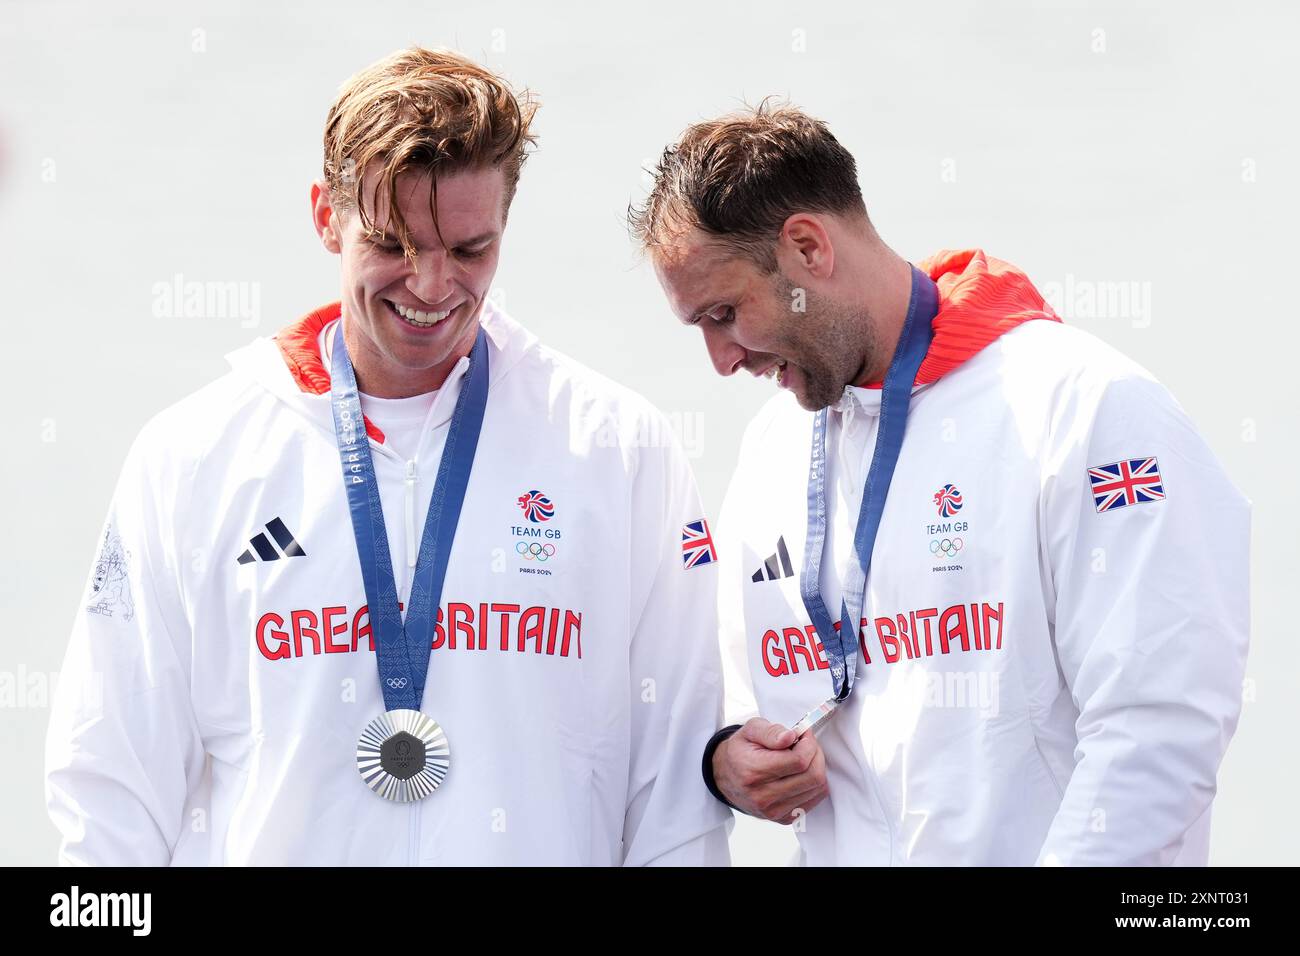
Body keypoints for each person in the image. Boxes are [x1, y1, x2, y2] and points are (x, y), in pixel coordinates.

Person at [45, 46, 730, 866]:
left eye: (470, 250)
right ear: (324, 216)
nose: (433, 285)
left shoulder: (619, 450)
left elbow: (675, 808)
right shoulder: (190, 456)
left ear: (506, 225)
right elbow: (109, 793)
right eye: (395, 243)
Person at [629, 102, 1251, 865]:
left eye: (724, 314)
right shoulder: (773, 446)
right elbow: (729, 693)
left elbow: (1161, 727)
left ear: (806, 247)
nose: (722, 361)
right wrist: (727, 758)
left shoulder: (1086, 405)